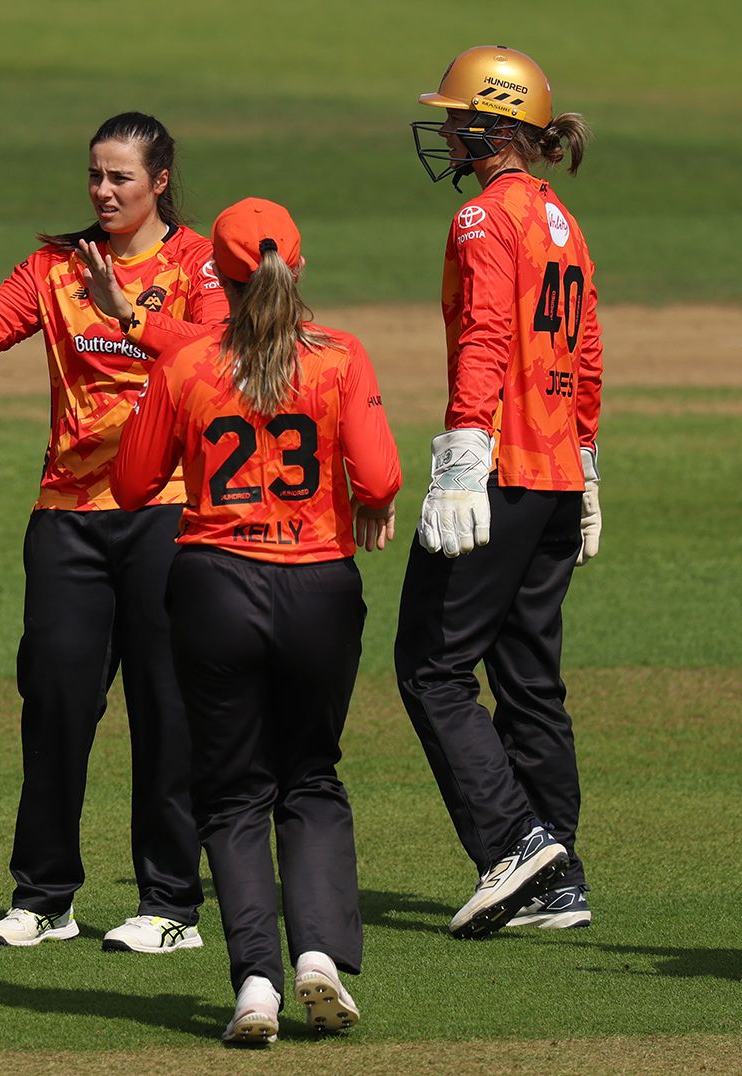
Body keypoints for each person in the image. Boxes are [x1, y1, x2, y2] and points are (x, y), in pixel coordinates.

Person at [0, 112, 228, 952]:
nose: (102, 191)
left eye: (120, 178)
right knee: (55, 704)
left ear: (159, 181)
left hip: (169, 510)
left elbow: (213, 358)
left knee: (165, 711)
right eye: (95, 176)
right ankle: (44, 898)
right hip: (68, 514)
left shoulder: (199, 263)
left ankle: (170, 905)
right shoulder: (57, 265)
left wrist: (128, 311)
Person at [112, 198, 400, 1042]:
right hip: (317, 586)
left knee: (233, 792)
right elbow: (380, 477)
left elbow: (132, 486)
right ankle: (317, 958)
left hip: (214, 585)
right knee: (309, 776)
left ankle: (255, 989)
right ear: (296, 270)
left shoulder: (189, 362)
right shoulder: (339, 356)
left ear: (219, 280)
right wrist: (359, 502)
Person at [399, 45, 603, 939]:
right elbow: (585, 352)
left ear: (491, 126)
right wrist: (587, 461)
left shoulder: (487, 220)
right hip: (554, 476)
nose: (445, 131)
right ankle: (558, 873)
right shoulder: (561, 218)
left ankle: (515, 845)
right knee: (528, 678)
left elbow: (485, 335)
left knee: (431, 667)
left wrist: (461, 455)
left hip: (504, 471)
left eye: (456, 118)